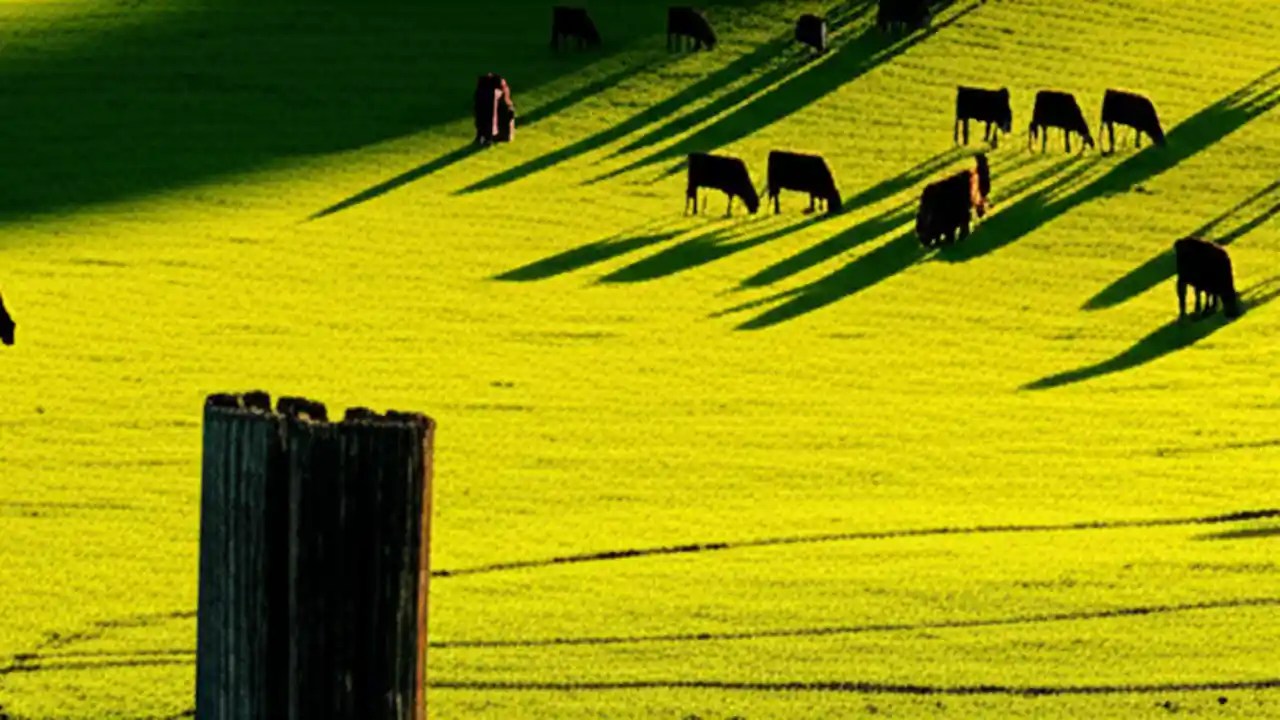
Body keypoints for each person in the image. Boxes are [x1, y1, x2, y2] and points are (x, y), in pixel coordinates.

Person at [474, 73, 516, 146]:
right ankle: (487, 136)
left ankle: (486, 136)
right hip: (502, 133)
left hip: (500, 133)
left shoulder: (492, 96)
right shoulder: (501, 97)